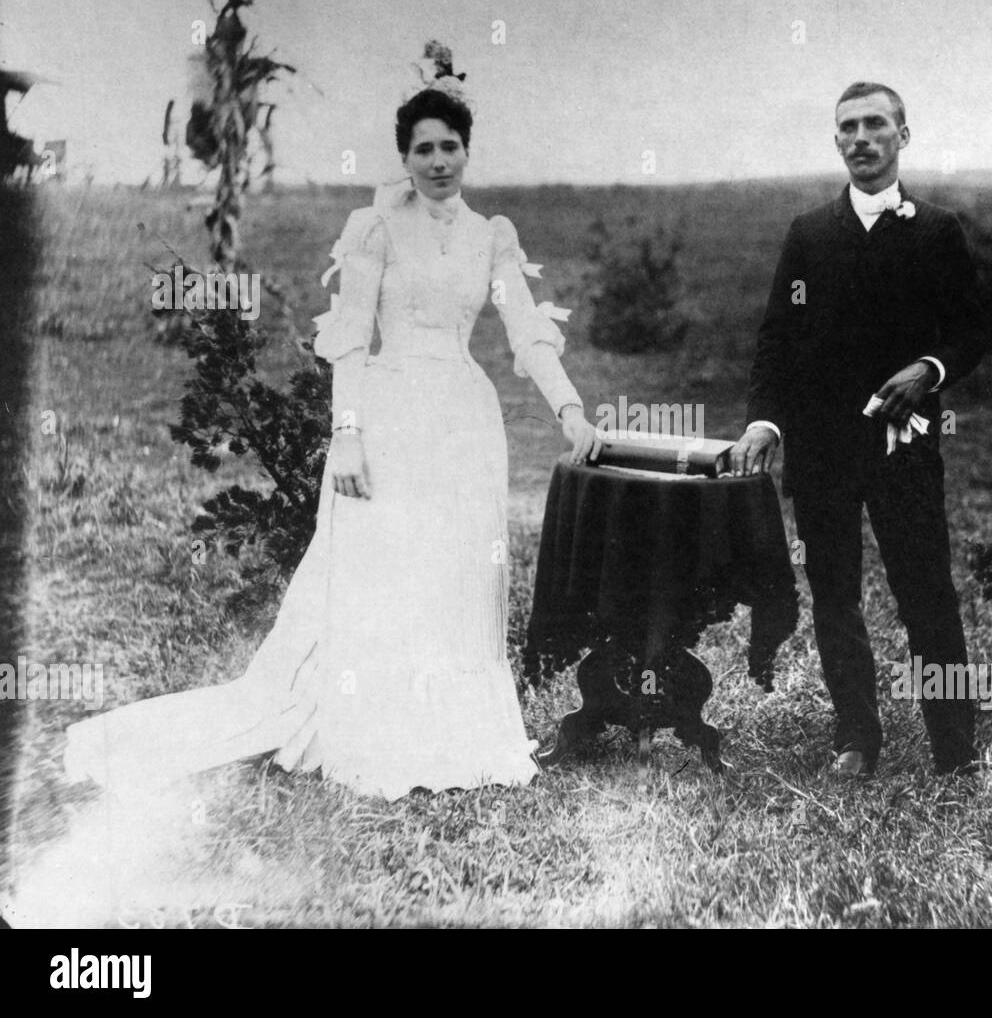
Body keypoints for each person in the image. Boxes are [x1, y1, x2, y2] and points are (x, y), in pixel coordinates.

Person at [64, 81, 602, 801]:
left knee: (455, 572)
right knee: (390, 572)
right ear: (404, 157)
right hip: (390, 418)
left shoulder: (491, 235)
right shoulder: (373, 230)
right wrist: (345, 437)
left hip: (465, 423)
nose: (438, 161)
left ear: (467, 151)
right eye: (423, 149)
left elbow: (527, 331)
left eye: (449, 147)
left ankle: (457, 731)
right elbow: (348, 341)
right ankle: (379, 728)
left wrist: (570, 409)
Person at [731, 81, 986, 777]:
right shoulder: (810, 235)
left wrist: (928, 370)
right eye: (848, 127)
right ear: (836, 140)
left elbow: (970, 333)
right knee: (834, 594)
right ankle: (856, 739)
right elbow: (776, 339)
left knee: (927, 590)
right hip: (821, 451)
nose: (861, 139)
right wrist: (765, 422)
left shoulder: (936, 231)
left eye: (877, 125)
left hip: (904, 448)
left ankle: (955, 749)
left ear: (904, 136)